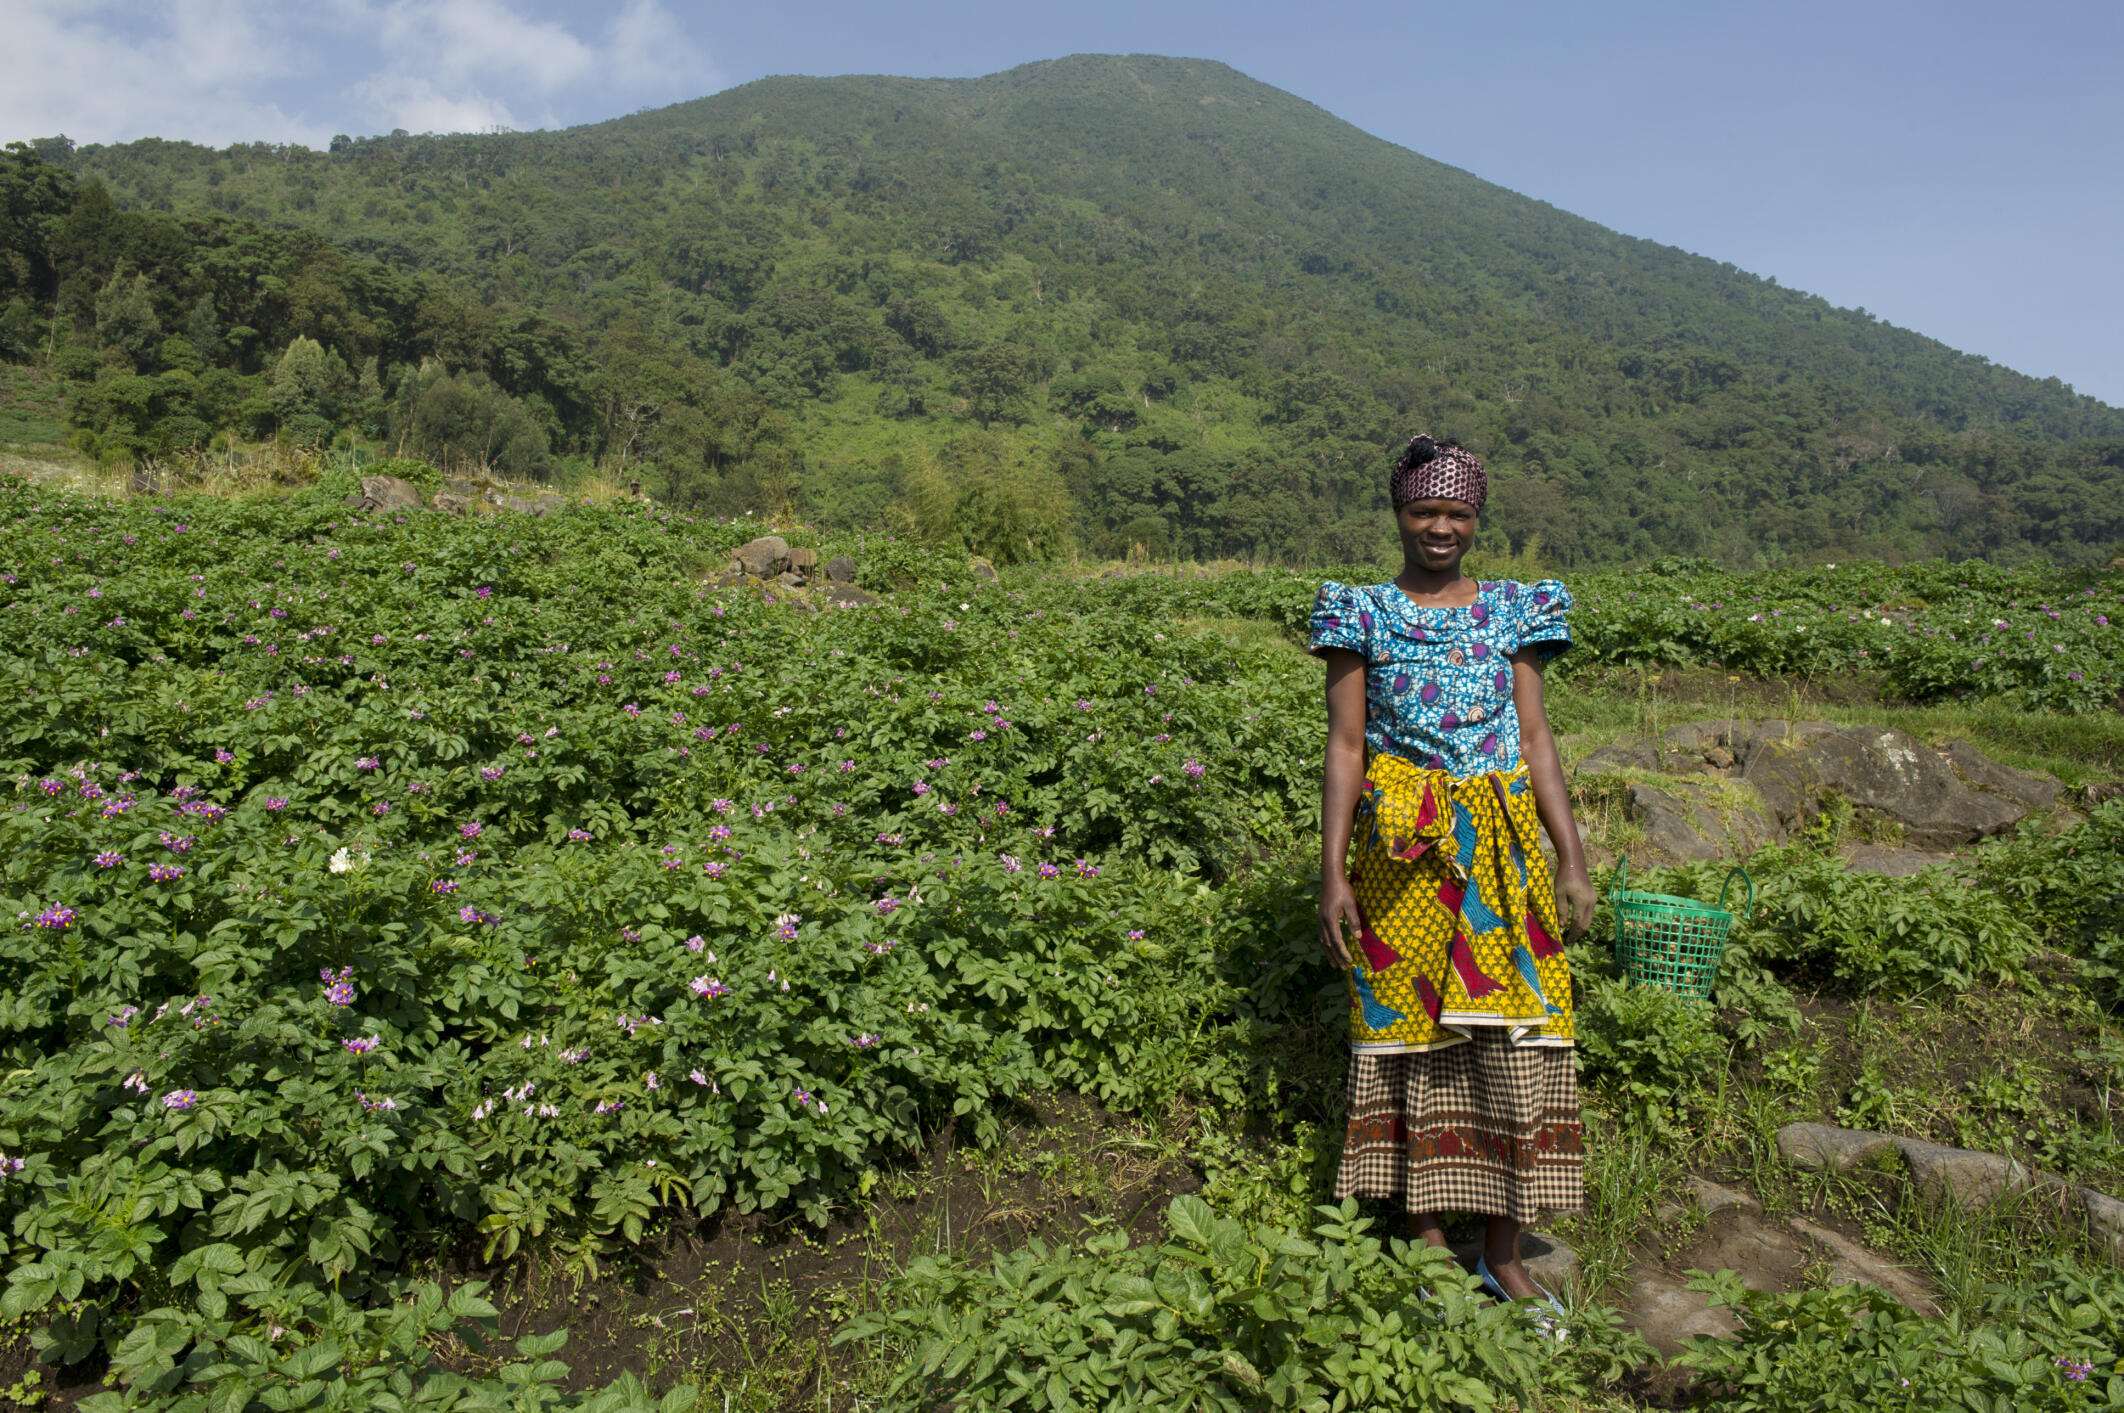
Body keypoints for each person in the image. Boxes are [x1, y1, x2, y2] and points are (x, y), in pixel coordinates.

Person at [1310, 433, 1595, 1307]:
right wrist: (1332, 873)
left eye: (1458, 513)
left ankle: (1503, 1251)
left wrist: (1572, 858)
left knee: (1519, 1030)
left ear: (1478, 520)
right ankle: (1432, 1243)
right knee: (1411, 1038)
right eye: (1425, 510)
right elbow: (1347, 745)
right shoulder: (1362, 611)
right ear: (1399, 512)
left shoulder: (1514, 608)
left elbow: (1538, 739)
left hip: (1504, 853)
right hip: (1402, 854)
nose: (1441, 528)